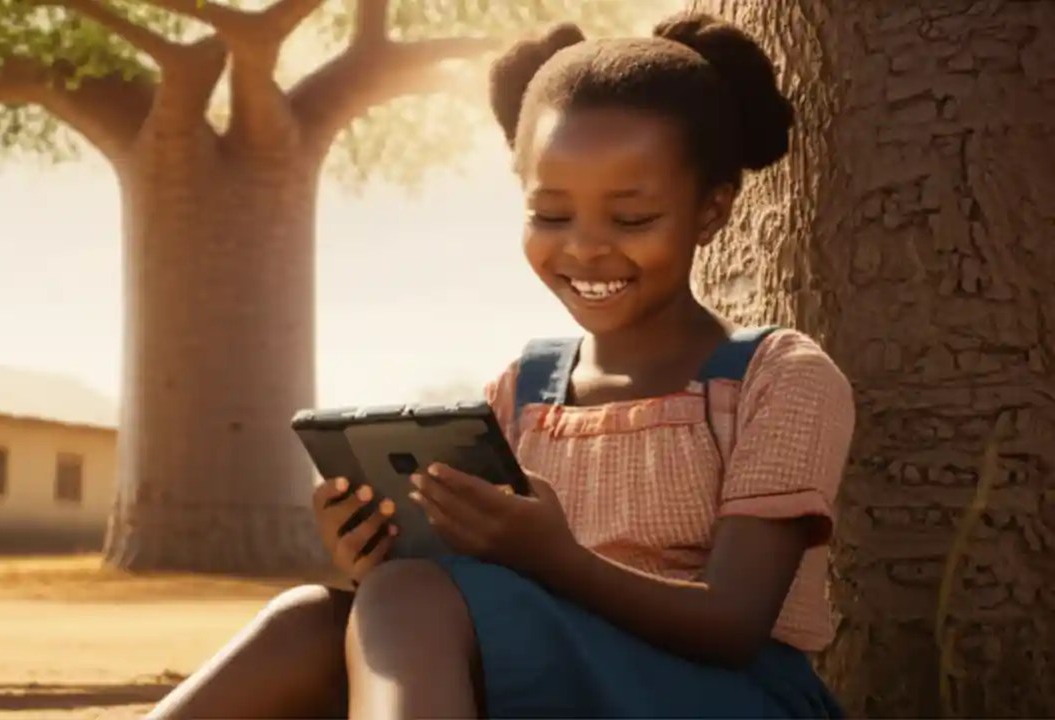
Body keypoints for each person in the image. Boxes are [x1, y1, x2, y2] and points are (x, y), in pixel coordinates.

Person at [148, 11, 854, 720]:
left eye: (631, 219)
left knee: (403, 602)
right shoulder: (523, 392)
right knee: (309, 620)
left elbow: (732, 627)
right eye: (551, 215)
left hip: (726, 697)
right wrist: (387, 552)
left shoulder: (775, 376)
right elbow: (479, 601)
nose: (584, 250)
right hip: (548, 684)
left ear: (711, 211)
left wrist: (557, 558)